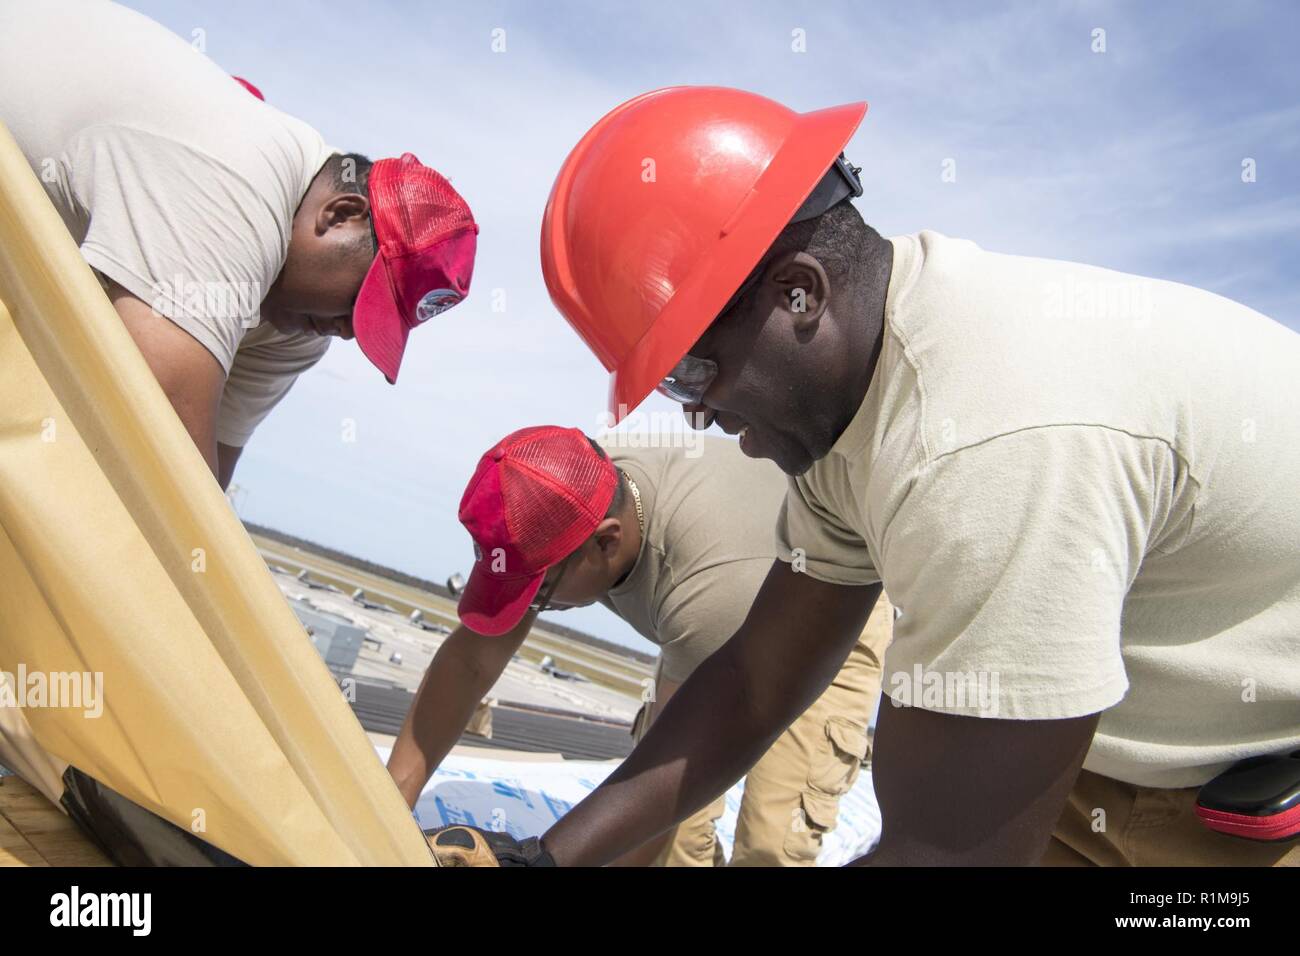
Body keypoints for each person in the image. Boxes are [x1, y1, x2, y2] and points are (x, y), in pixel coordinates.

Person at [431, 85, 1300, 867]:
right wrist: (542, 862)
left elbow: (951, 856)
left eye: (690, 373)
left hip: (1239, 808)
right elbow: (755, 682)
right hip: (1101, 772)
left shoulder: (986, 442)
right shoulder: (853, 423)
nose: (693, 414)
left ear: (800, 294)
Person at [0, 0, 477, 489]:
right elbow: (162, 440)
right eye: (360, 301)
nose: (348, 332)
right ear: (340, 215)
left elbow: (206, 484)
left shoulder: (299, 325)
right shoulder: (240, 179)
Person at [391, 426, 891, 865]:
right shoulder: (564, 488)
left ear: (606, 543)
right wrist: (390, 804)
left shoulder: (704, 593)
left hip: (829, 610)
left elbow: (660, 786)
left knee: (769, 844)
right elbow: (472, 661)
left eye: (538, 592)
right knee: (677, 852)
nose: (531, 606)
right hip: (717, 606)